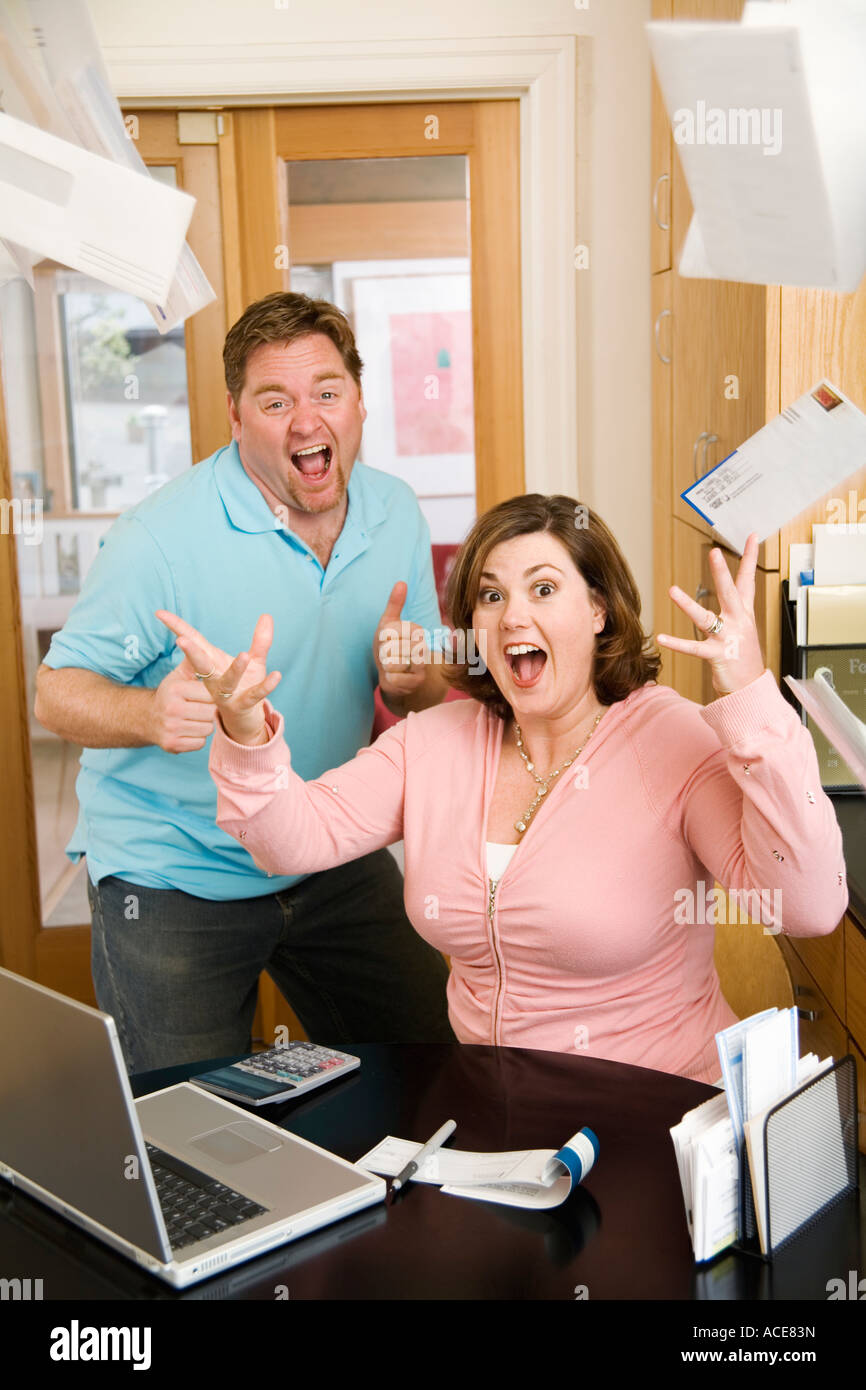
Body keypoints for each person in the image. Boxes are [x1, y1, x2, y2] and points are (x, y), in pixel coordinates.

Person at [159, 494, 848, 1086]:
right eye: (492, 595)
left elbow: (808, 905)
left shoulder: (671, 740)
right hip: (502, 1123)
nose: (513, 616)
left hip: (655, 1118)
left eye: (544, 589)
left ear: (600, 609)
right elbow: (289, 839)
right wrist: (245, 727)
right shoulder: (436, 742)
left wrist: (754, 699)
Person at [34, 292, 455, 1072]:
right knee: (187, 1131)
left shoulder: (394, 513)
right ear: (235, 417)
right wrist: (148, 711)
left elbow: (417, 694)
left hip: (324, 843)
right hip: (172, 870)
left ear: (359, 401)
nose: (307, 421)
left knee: (434, 1064)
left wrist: (412, 681)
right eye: (275, 401)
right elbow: (55, 691)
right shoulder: (158, 539)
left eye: (326, 393)